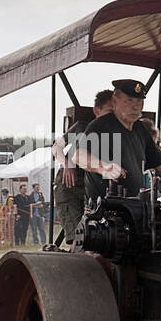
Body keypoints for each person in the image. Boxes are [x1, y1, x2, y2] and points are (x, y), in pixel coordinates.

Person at [69, 79, 161, 203]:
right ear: (115, 101)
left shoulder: (140, 129)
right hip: (104, 212)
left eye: (139, 101)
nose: (135, 106)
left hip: (134, 208)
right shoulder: (102, 125)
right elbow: (79, 156)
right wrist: (104, 167)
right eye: (129, 100)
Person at [53, 89, 113, 245]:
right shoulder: (81, 127)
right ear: (96, 111)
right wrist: (67, 164)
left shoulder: (116, 134)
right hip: (70, 184)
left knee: (98, 234)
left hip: (94, 188)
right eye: (109, 111)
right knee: (78, 236)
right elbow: (56, 148)